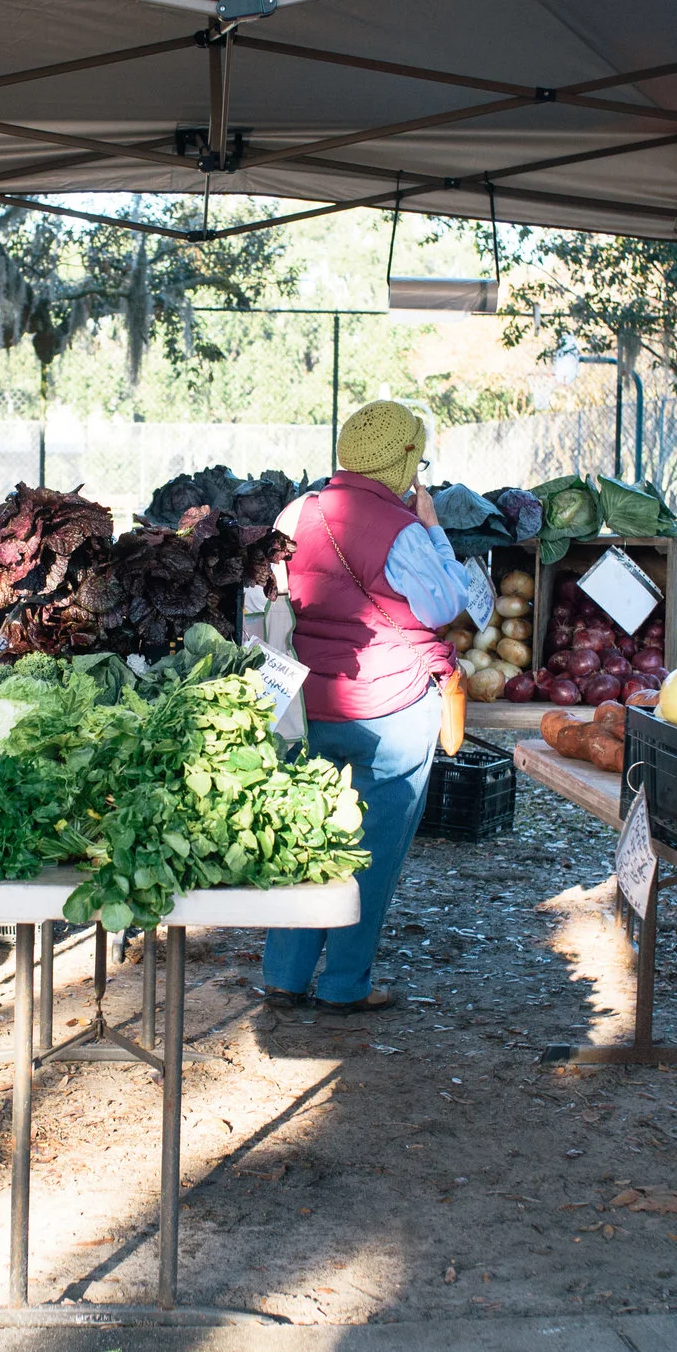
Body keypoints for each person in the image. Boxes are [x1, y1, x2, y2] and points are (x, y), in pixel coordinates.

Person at [260, 400, 463, 1013]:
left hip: (305, 705)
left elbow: (272, 602)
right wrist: (432, 529)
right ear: (403, 462)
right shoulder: (402, 530)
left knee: (307, 838)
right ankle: (345, 986)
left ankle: (284, 975)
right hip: (392, 708)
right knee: (371, 853)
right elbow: (444, 605)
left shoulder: (297, 511)